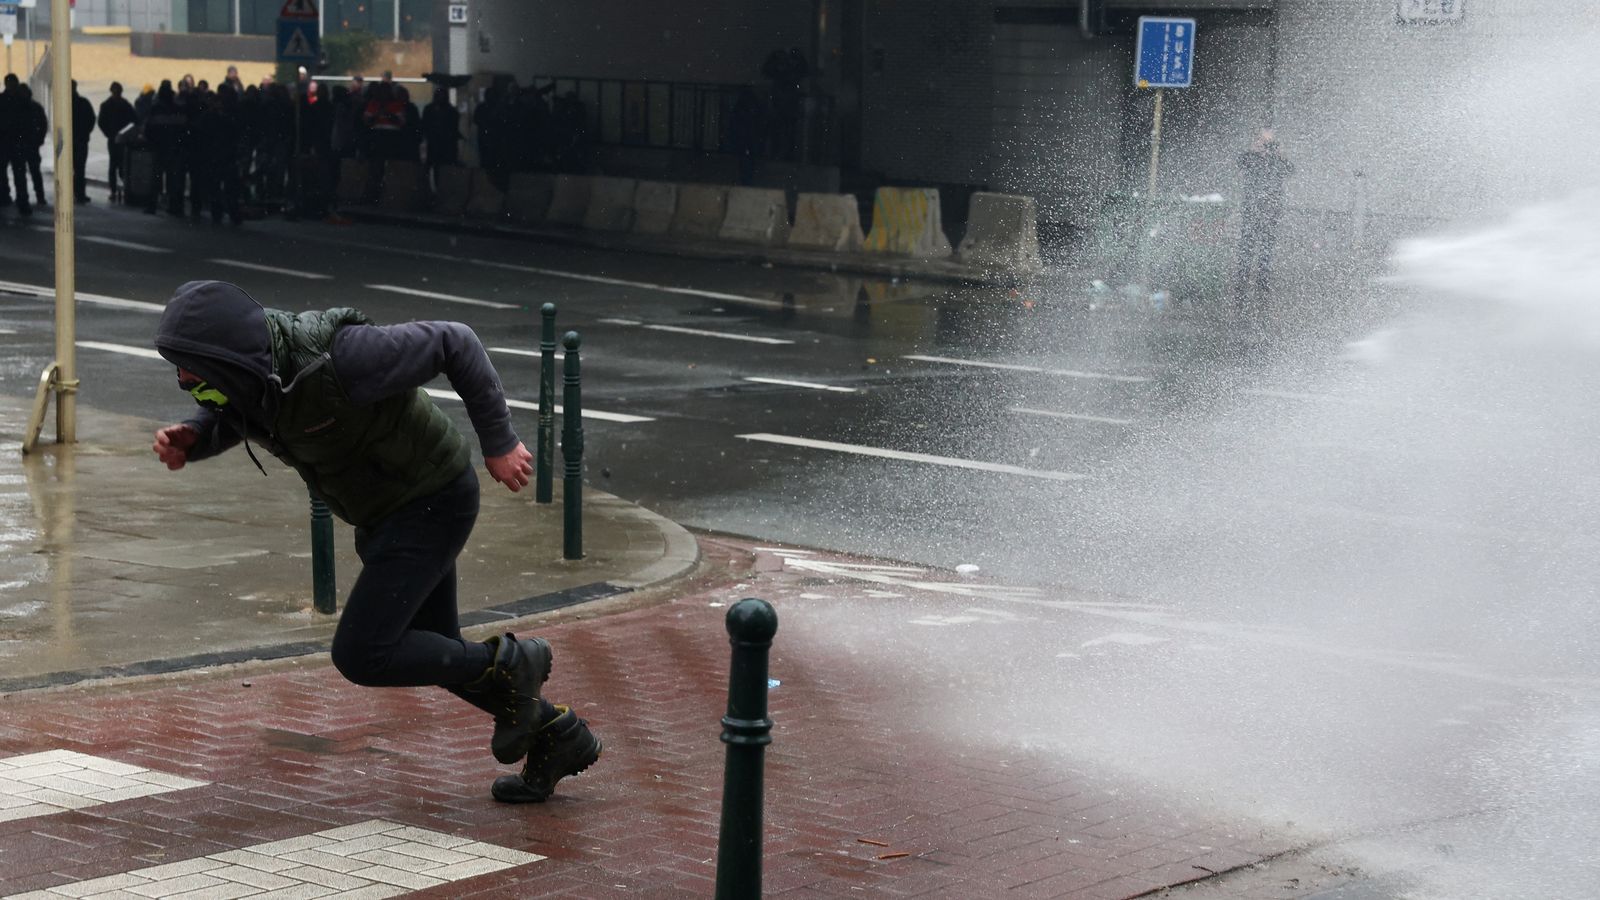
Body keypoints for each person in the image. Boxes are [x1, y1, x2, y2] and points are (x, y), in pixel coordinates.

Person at [149, 282, 602, 803]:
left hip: (432, 499)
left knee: (364, 652)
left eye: (193, 371)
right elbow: (246, 406)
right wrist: (198, 435)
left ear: (230, 356)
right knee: (433, 652)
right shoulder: (256, 373)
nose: (183, 381)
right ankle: (558, 735)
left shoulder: (340, 357)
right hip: (385, 513)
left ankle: (519, 661)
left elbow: (454, 341)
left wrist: (498, 441)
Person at [1235, 127, 1293, 315]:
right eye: (1263, 141)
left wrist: (1281, 155)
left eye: (1270, 142)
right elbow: (1240, 163)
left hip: (1271, 210)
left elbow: (1290, 170)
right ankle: (1242, 279)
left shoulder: (1277, 161)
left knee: (1267, 246)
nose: (1266, 146)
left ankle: (1262, 280)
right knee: (1247, 245)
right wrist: (1254, 151)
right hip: (1251, 209)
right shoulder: (1251, 158)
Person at [99, 82, 138, 203]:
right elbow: (134, 120)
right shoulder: (125, 105)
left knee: (115, 165)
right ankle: (121, 189)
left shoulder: (106, 105)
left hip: (114, 138)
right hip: (121, 138)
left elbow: (101, 122)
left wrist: (109, 134)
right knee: (121, 165)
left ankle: (114, 190)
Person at [0, 74, 26, 215]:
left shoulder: (3, 100)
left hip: (6, 142)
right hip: (16, 143)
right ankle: (21, 201)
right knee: (19, 174)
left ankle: (6, 197)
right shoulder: (21, 101)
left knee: (6, 173)